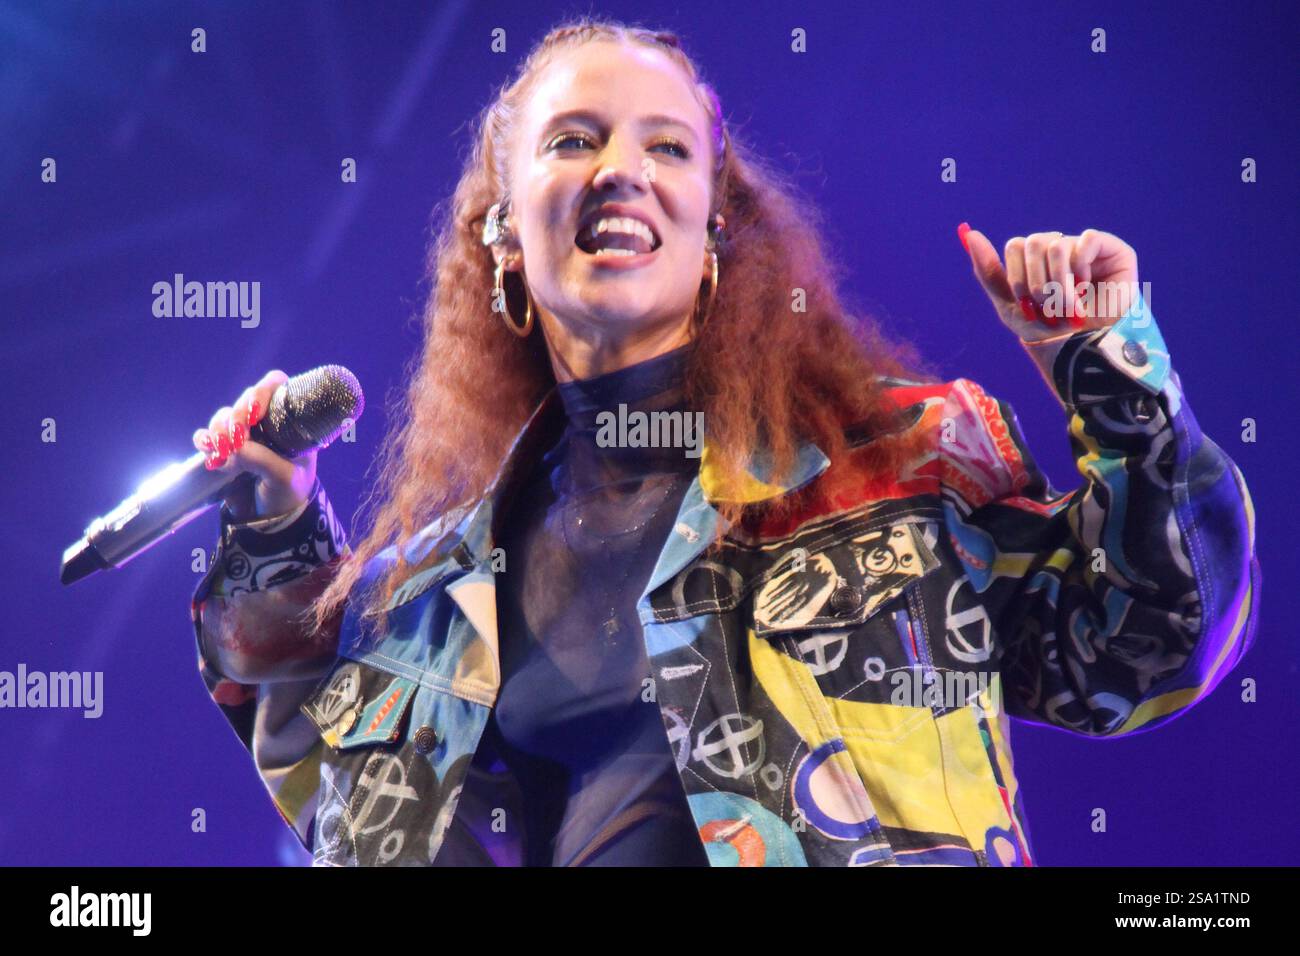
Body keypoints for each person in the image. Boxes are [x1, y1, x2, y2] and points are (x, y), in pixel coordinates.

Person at [188, 18, 1259, 867]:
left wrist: (1115, 381)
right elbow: (339, 812)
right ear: (503, 229)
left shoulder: (899, 460)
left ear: (711, 232)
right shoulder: (432, 591)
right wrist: (272, 517)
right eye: (574, 140)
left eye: (667, 146)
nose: (622, 170)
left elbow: (1151, 648)